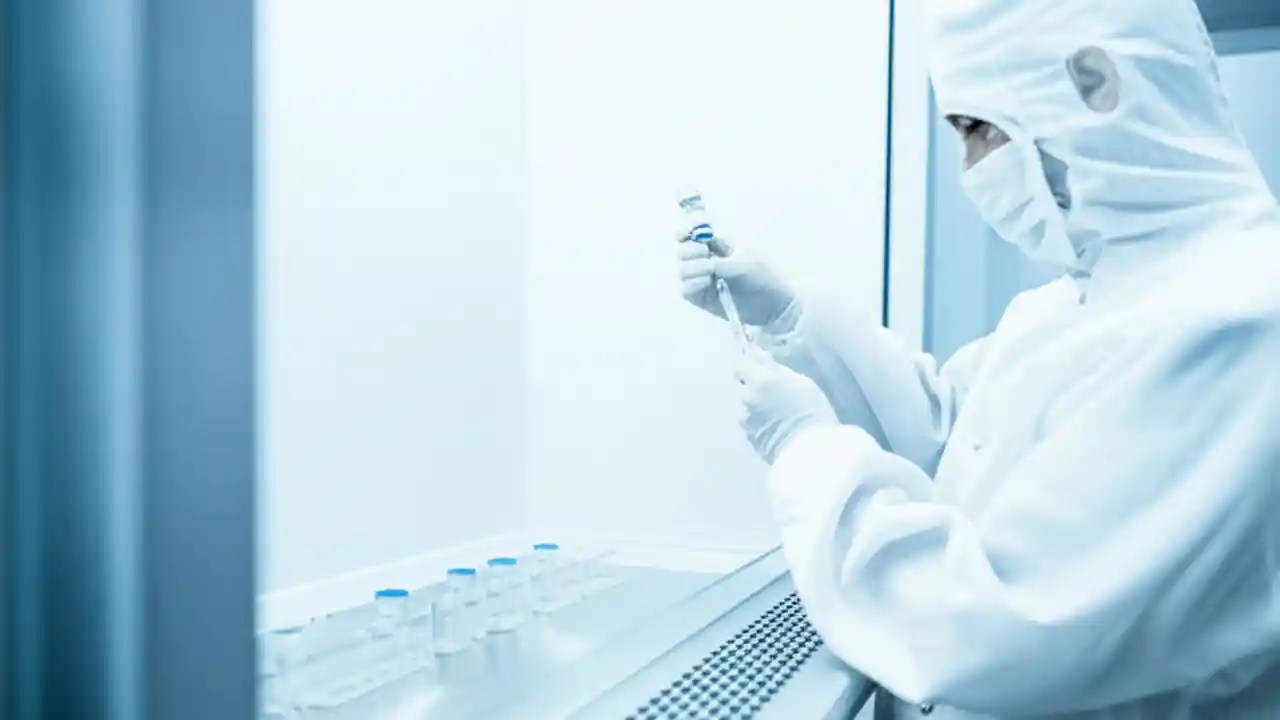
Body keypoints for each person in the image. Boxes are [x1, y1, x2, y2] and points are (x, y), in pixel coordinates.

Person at [677, 0, 1280, 717]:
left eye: (976, 129)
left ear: (1095, 84)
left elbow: (994, 629)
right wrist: (791, 317)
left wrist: (806, 447)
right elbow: (955, 438)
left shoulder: (1233, 320)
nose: (969, 168)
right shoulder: (1088, 294)